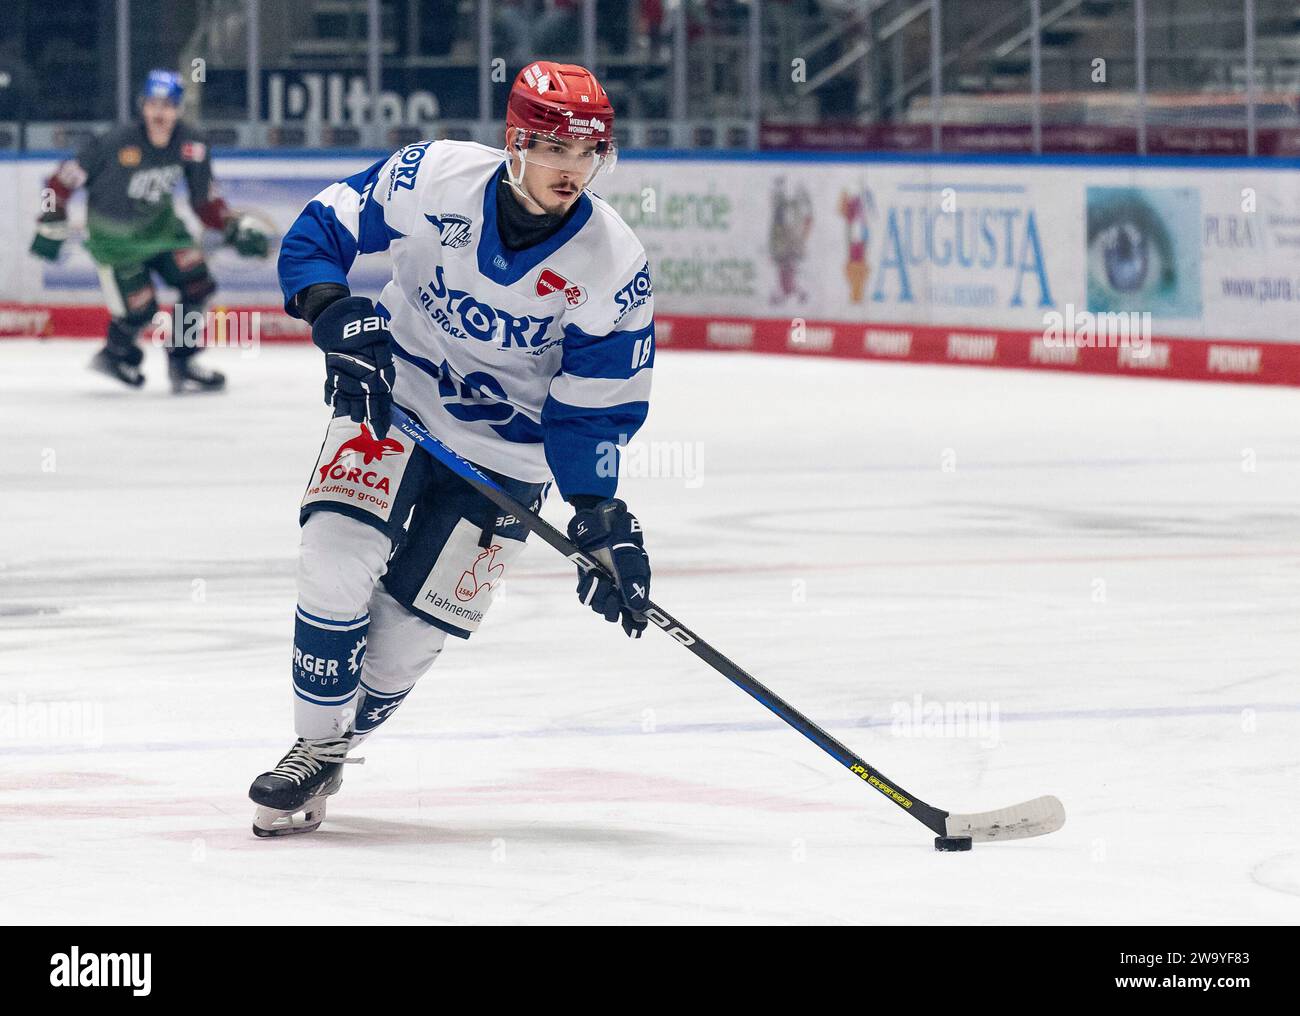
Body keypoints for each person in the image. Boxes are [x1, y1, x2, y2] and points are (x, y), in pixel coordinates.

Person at [249, 61, 656, 836]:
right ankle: (313, 747)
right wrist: (335, 311)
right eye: (555, 150)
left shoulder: (612, 265)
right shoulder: (431, 176)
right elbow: (320, 229)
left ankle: (333, 748)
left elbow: (593, 409)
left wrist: (600, 515)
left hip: (505, 462)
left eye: (587, 153)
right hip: (392, 404)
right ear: (516, 142)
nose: (572, 170)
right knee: (334, 557)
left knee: (402, 647)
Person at [29, 69, 270, 392]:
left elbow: (204, 202)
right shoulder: (113, 142)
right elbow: (59, 181)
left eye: (168, 105)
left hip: (164, 233)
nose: (160, 112)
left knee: (197, 283)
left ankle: (182, 362)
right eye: (153, 104)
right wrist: (51, 217)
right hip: (116, 243)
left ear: (180, 108)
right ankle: (116, 355)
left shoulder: (193, 144)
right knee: (141, 311)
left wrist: (231, 224)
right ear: (142, 106)